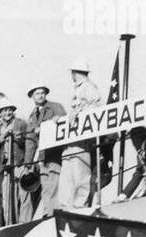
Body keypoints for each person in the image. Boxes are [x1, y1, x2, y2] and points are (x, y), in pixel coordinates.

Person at [58, 59, 102, 209]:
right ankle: (66, 208)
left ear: (75, 73)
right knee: (67, 179)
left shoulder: (89, 87)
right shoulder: (77, 89)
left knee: (80, 178)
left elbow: (97, 108)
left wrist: (80, 112)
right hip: (70, 141)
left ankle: (79, 208)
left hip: (82, 142)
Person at [0, 96, 31, 229]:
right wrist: (2, 137)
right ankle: (10, 226)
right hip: (4, 167)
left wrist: (19, 138)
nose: (7, 113)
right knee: (7, 197)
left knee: (24, 196)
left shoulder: (21, 123)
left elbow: (29, 141)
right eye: (4, 111)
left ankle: (25, 225)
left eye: (9, 110)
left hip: (19, 164)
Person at [24, 84, 66, 219]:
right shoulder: (32, 115)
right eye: (37, 93)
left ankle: (54, 214)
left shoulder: (55, 107)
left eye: (42, 93)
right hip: (42, 155)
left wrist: (52, 122)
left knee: (54, 183)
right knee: (46, 185)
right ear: (32, 96)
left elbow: (64, 121)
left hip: (54, 152)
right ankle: (47, 213)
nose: (40, 95)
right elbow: (30, 140)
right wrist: (28, 163)